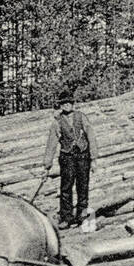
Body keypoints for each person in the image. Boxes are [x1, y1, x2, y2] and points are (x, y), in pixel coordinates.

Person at [41, 92, 98, 228]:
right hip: (67, 157)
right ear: (60, 106)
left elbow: (91, 136)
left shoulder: (81, 117)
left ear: (73, 104)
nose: (66, 105)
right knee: (66, 188)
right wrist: (47, 166)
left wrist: (94, 158)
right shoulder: (57, 122)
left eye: (69, 103)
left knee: (82, 186)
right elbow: (52, 143)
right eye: (63, 103)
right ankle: (66, 217)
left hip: (83, 156)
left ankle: (82, 216)